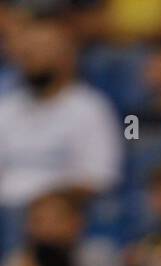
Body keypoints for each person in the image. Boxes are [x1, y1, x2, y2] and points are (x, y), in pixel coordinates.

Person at [0, 15, 122, 216]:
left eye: (42, 49)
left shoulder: (90, 107)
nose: (31, 57)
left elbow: (99, 177)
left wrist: (45, 205)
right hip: (5, 212)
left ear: (67, 56)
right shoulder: (6, 108)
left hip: (61, 216)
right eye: (27, 50)